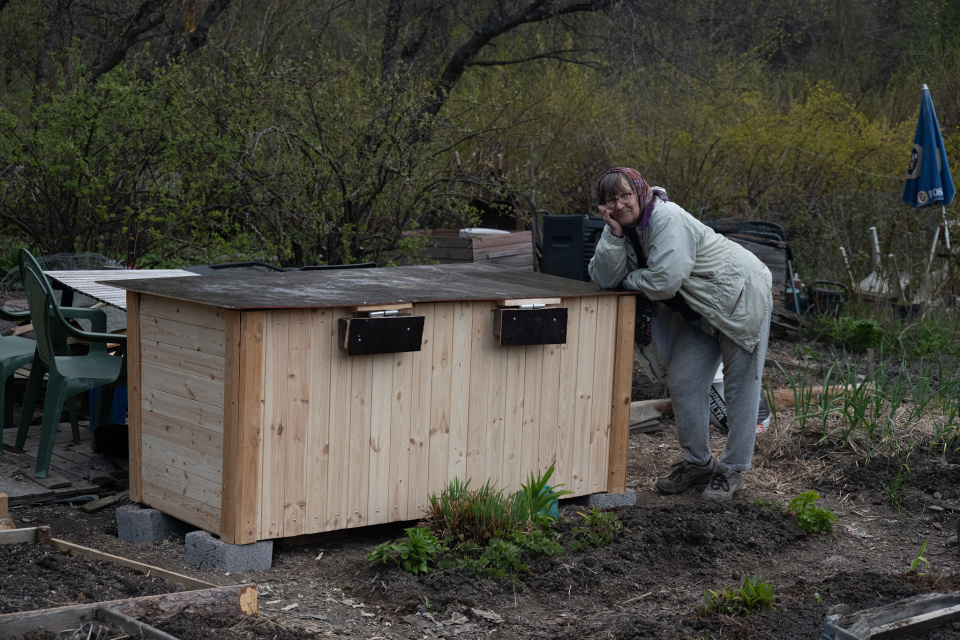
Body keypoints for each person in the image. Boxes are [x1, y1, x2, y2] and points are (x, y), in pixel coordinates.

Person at [588, 167, 772, 501]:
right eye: (609, 200)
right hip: (702, 312)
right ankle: (698, 462)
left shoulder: (666, 217)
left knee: (741, 385)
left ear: (640, 191)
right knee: (684, 381)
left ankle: (732, 469)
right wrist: (613, 234)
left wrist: (628, 282)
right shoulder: (621, 228)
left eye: (625, 195)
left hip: (740, 296)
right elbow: (603, 276)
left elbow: (664, 281)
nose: (619, 204)